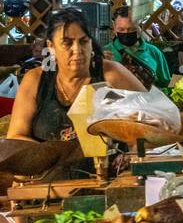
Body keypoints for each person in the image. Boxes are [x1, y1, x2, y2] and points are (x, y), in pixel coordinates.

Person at [8, 8, 144, 144]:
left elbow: (156, 119)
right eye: (67, 43)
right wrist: (53, 156)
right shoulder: (35, 80)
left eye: (84, 42)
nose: (77, 50)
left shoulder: (112, 74)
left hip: (106, 164)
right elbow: (16, 136)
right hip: (47, 163)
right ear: (51, 46)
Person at [106, 6, 170, 87]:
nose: (126, 33)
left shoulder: (154, 52)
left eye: (131, 29)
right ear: (114, 29)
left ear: (140, 27)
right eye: (121, 29)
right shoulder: (105, 53)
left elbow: (165, 84)